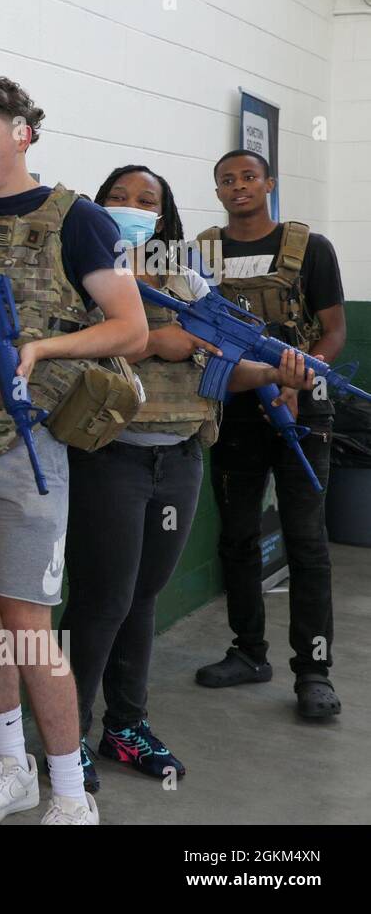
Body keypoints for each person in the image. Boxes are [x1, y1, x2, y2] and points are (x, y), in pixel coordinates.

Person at [62, 165, 313, 792]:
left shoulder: (187, 278)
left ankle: (126, 725)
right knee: (101, 602)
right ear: (97, 207)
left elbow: (223, 369)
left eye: (147, 200)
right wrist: (155, 339)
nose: (132, 208)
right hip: (109, 453)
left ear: (165, 215)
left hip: (177, 455)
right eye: (118, 198)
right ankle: (67, 739)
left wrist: (281, 373)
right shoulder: (85, 269)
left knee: (142, 600)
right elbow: (62, 344)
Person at [0, 76, 148, 826]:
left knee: (28, 622)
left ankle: (68, 790)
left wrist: (39, 348)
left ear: (23, 133)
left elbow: (131, 328)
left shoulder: (76, 219)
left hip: (27, 452)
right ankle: (9, 769)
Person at [194, 149, 347, 719]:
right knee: (236, 538)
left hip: (303, 416)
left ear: (269, 183)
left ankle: (313, 671)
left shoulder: (310, 249)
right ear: (217, 191)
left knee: (306, 542)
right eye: (227, 181)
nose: (239, 188)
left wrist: (298, 379)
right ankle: (248, 651)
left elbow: (334, 330)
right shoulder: (203, 251)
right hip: (233, 413)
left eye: (249, 177)